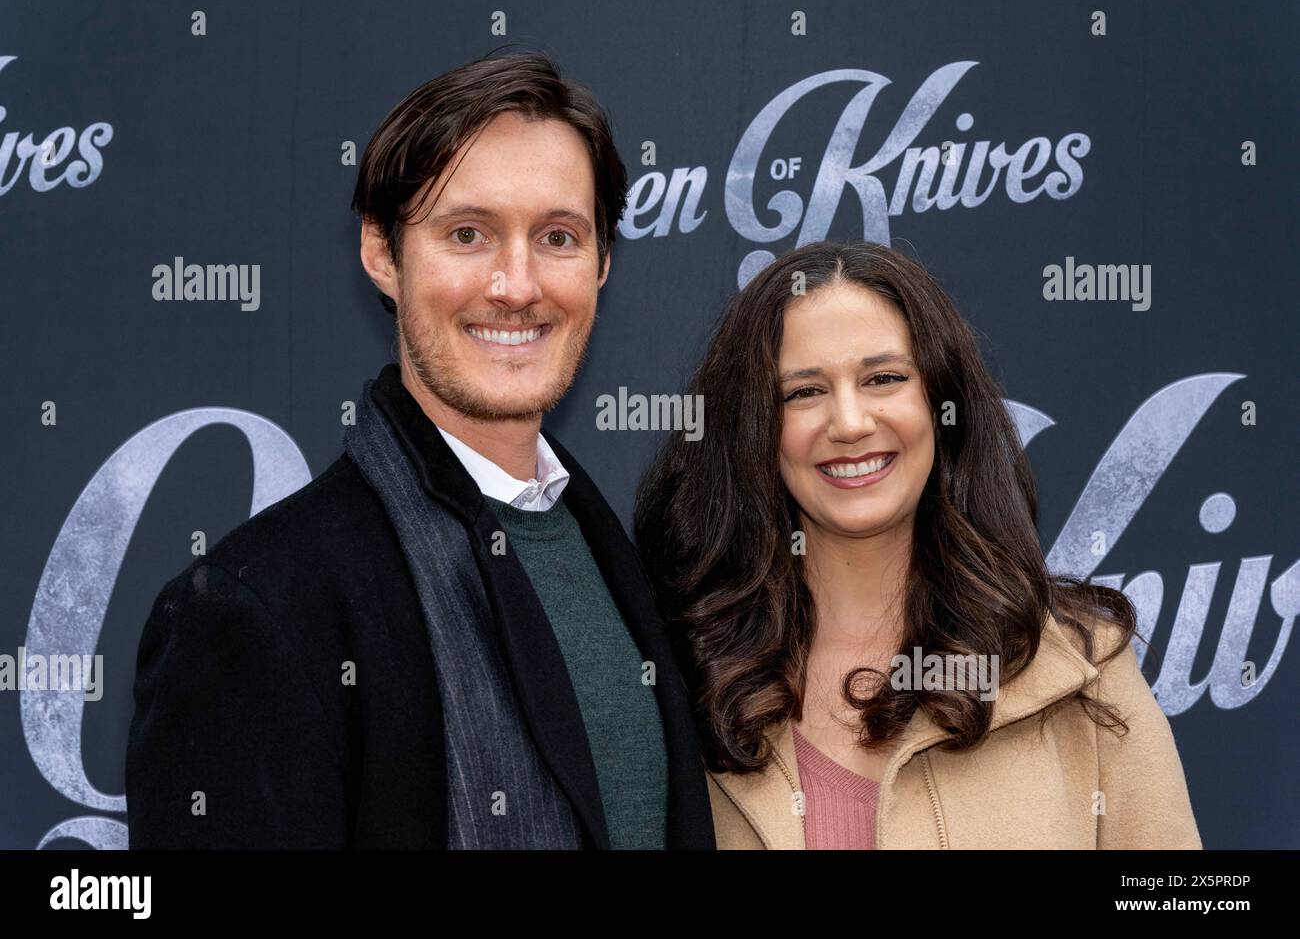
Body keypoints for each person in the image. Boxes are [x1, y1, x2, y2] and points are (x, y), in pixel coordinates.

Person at [126, 50, 715, 849]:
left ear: (604, 262)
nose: (516, 284)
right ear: (381, 252)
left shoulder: (623, 567)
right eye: (468, 234)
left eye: (558, 237)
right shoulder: (259, 606)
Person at [634, 239, 1201, 849]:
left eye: (884, 378)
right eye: (804, 391)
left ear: (940, 402)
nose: (849, 422)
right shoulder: (676, 677)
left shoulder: (1079, 666)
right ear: (753, 429)